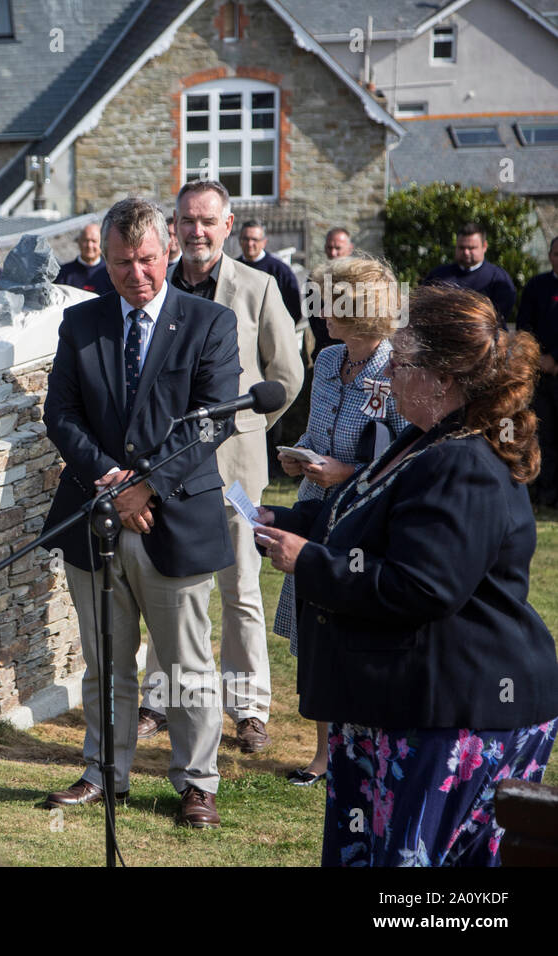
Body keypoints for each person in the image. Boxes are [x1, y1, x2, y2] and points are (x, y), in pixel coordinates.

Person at [256, 284, 558, 866]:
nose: (387, 372)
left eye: (401, 362)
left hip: (460, 710)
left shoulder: (463, 461)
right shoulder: (423, 439)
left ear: (443, 379)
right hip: (399, 703)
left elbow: (421, 585)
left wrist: (308, 561)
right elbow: (366, 519)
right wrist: (287, 520)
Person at [40, 196, 241, 827]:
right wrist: (106, 477)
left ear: (170, 250)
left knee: (186, 665)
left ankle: (196, 781)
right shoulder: (82, 323)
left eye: (148, 260)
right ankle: (104, 771)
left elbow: (212, 422)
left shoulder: (210, 323)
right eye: (124, 262)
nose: (137, 275)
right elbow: (61, 415)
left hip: (173, 519)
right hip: (93, 518)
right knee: (105, 659)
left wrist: (144, 488)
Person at [139, 180, 302, 754]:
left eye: (207, 220)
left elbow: (286, 375)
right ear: (173, 226)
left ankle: (250, 708)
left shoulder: (257, 288)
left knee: (239, 586)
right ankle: (158, 699)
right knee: (170, 583)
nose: (196, 230)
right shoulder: (154, 287)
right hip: (167, 463)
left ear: (228, 226)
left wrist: (246, 424)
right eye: (186, 220)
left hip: (235, 466)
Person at [273, 255, 409, 786]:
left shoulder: (399, 368)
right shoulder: (327, 360)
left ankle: (368, 750)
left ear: (363, 310)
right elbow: (317, 430)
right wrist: (299, 454)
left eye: (331, 300)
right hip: (315, 507)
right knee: (318, 631)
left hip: (369, 518)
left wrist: (347, 472)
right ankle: (323, 756)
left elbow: (407, 453)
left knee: (354, 631)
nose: (321, 309)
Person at [516, 235, 558, 508]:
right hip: (540, 375)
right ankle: (546, 493)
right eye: (556, 253)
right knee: (544, 434)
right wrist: (539, 358)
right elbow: (524, 326)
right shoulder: (537, 286)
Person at [422, 222, 516, 327]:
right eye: (461, 248)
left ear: (484, 246)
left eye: (471, 248)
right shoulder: (439, 275)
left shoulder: (498, 278)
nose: (466, 252)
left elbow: (500, 316)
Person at [237, 219, 302, 326]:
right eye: (246, 239)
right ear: (240, 241)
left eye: (254, 239)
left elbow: (293, 310)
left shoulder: (280, 270)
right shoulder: (233, 267)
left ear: (264, 242)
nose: (250, 244)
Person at [310, 228, 355, 360]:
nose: (333, 253)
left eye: (338, 248)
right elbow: (316, 320)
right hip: (326, 351)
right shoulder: (316, 278)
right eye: (329, 248)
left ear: (350, 248)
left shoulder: (359, 279)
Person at [54, 223, 113, 295]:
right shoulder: (63, 273)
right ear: (79, 242)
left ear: (102, 243)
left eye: (94, 241)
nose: (89, 245)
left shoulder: (111, 273)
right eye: (86, 240)